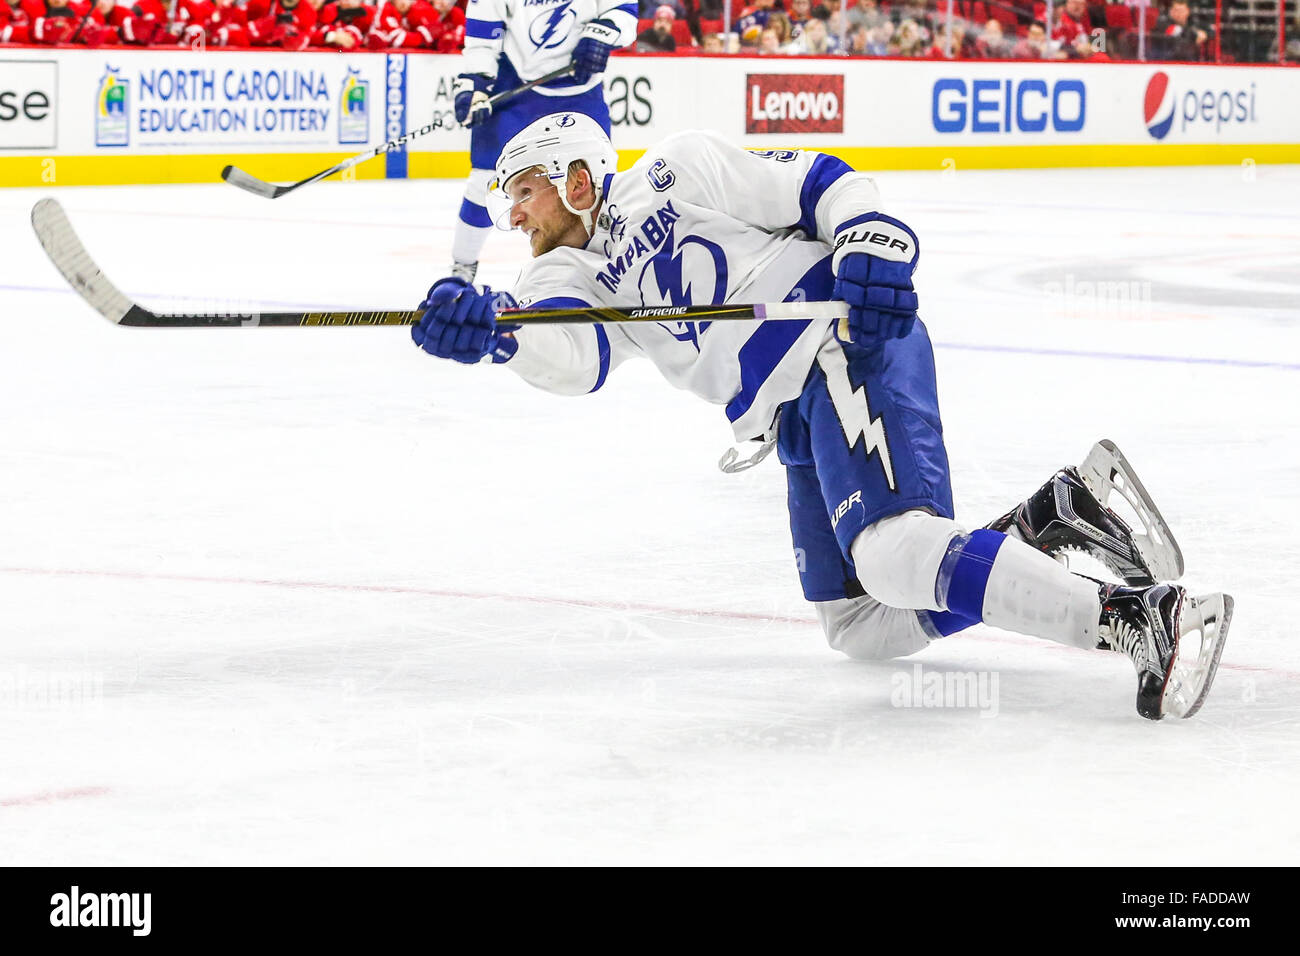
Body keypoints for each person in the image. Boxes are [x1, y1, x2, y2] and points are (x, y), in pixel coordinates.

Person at [407, 114, 1234, 721]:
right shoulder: (567, 278)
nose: (513, 215)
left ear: (576, 179)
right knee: (862, 625)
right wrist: (496, 337)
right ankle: (1048, 520)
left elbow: (819, 185)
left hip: (839, 345)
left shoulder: (677, 170)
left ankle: (1139, 617)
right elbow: (572, 353)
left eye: (524, 191)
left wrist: (870, 243)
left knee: (893, 551)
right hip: (790, 420)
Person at [448, 0, 638, 286]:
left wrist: (603, 32)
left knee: (596, 182)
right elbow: (482, 37)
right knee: (486, 180)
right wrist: (475, 84)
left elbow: (623, 10)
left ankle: (608, 263)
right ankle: (462, 266)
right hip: (516, 83)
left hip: (580, 88)